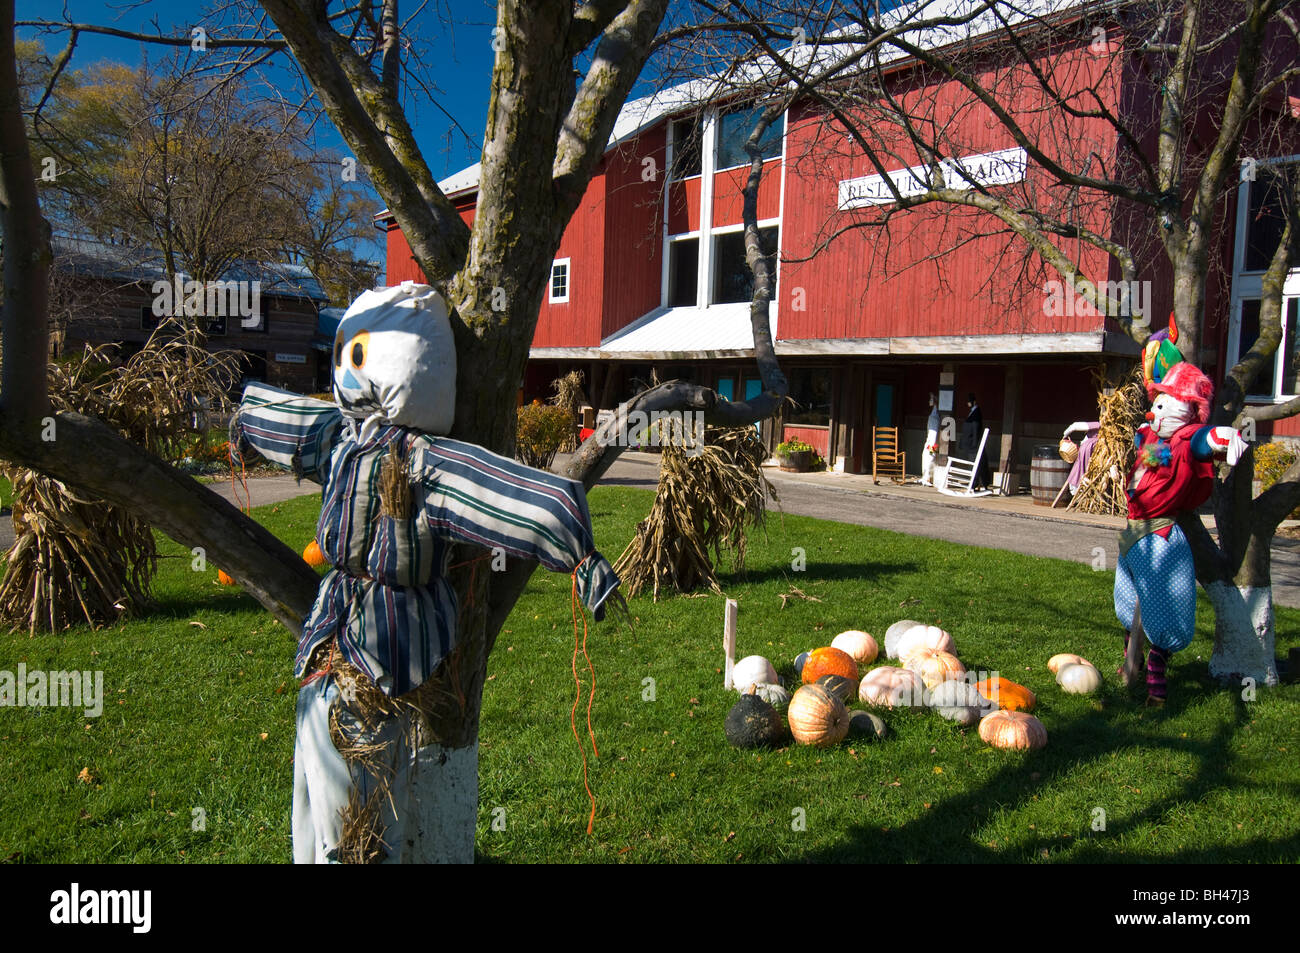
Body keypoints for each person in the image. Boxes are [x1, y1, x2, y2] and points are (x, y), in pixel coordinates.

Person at [230, 282, 619, 862]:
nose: (345, 374)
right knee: (311, 806)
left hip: (384, 662)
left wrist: (578, 551)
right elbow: (295, 424)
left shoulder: (422, 464)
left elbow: (504, 492)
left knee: (356, 816)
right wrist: (248, 414)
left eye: (358, 356)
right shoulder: (343, 442)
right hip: (327, 647)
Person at [1114, 361, 1246, 706]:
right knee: (1127, 604)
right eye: (1157, 403)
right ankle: (1132, 666)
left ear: (1187, 410)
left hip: (1159, 539)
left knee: (1164, 614)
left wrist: (1221, 436)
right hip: (1132, 535)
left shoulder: (1183, 440)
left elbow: (1201, 441)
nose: (1155, 411)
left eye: (1165, 405)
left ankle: (1156, 682)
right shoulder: (1155, 440)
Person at [959, 393, 991, 490]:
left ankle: (975, 483)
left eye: (969, 401)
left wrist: (974, 444)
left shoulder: (976, 412)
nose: (967, 403)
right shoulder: (972, 411)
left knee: (976, 463)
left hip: (973, 444)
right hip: (969, 442)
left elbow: (975, 428)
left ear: (973, 402)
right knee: (977, 463)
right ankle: (979, 483)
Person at [921, 394, 940, 486]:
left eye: (931, 399)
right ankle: (925, 477)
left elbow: (934, 433)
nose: (929, 401)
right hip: (930, 441)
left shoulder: (934, 417)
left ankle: (928, 478)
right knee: (926, 458)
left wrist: (932, 446)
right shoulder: (933, 414)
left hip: (931, 442)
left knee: (929, 458)